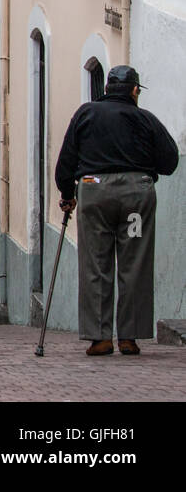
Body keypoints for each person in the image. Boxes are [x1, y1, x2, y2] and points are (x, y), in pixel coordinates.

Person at [55, 65, 178, 356]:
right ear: (135, 91)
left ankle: (99, 338)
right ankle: (129, 338)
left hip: (95, 191)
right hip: (136, 196)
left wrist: (67, 195)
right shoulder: (144, 119)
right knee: (134, 262)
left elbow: (66, 161)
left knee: (96, 263)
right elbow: (170, 161)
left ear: (107, 89)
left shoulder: (85, 114)